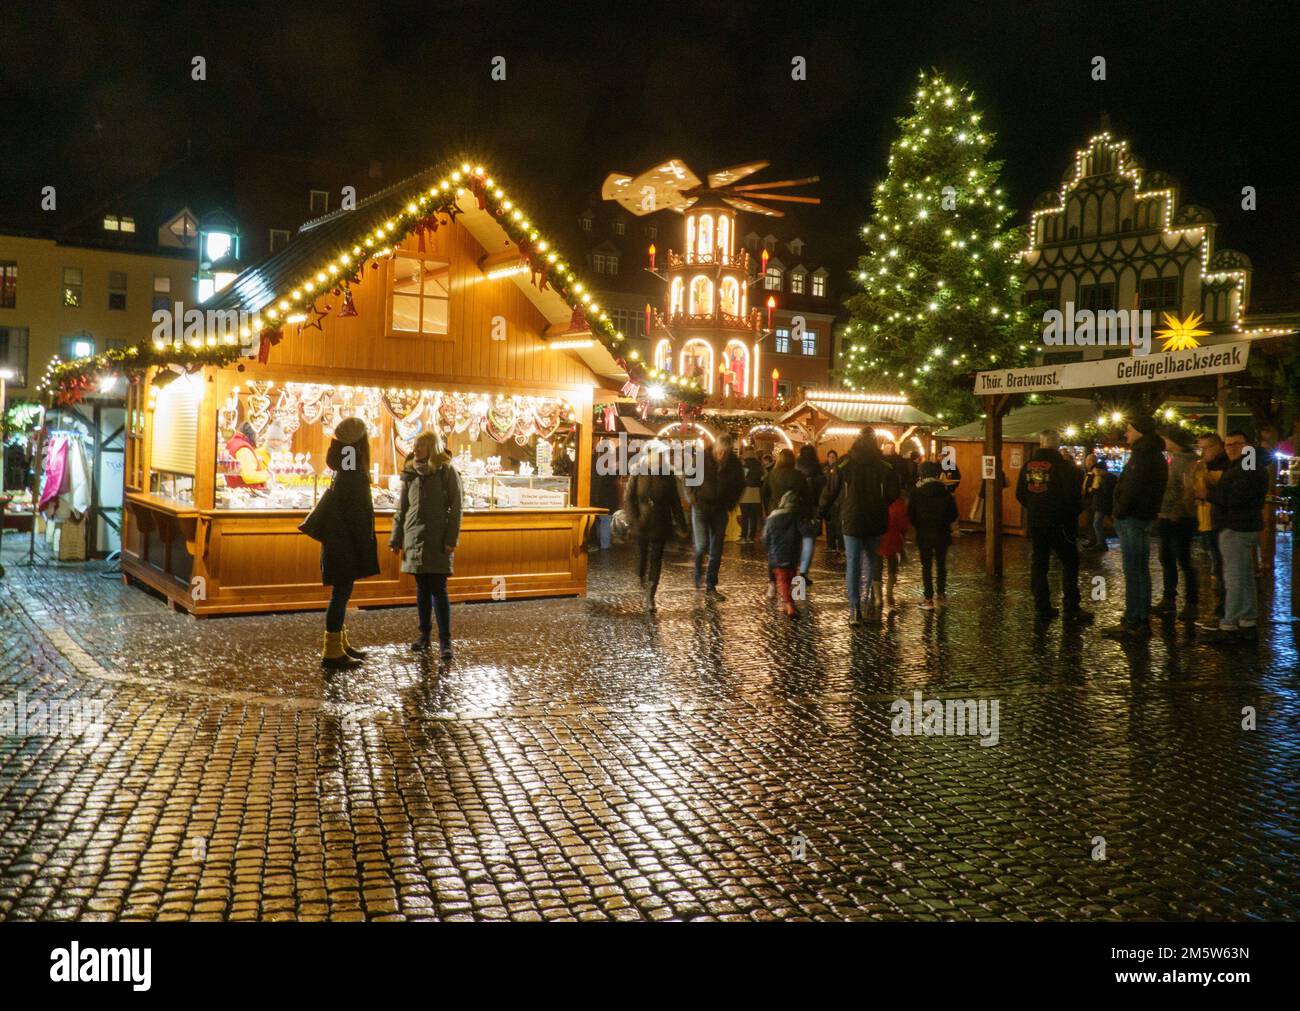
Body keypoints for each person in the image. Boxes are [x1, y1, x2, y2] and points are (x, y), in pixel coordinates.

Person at [390, 430, 463, 660]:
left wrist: (451, 539)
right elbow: (402, 508)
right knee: (422, 589)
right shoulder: (410, 472)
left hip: (438, 538)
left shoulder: (446, 470)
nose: (415, 450)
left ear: (431, 447)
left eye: (420, 446)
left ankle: (445, 640)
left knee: (438, 590)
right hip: (414, 537)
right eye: (415, 445)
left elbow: (457, 506)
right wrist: (396, 538)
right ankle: (424, 635)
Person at [318, 417, 381, 670]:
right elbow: (354, 506)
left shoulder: (347, 462)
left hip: (339, 539)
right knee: (340, 594)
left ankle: (340, 643)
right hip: (345, 540)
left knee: (342, 593)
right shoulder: (352, 466)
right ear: (359, 440)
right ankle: (332, 651)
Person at [820, 429, 901, 625]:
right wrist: (880, 504)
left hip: (852, 519)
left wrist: (820, 514)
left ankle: (854, 609)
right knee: (873, 561)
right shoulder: (884, 465)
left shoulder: (845, 463)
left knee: (853, 564)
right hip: (875, 520)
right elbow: (894, 492)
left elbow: (831, 491)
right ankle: (870, 601)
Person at [1014, 428, 1093, 624]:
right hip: (1060, 523)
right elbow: (1072, 496)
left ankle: (1042, 606)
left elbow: (1020, 494)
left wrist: (1034, 506)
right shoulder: (1064, 467)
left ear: (1041, 443)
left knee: (1039, 563)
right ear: (1058, 444)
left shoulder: (1028, 466)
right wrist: (1071, 514)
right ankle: (1071, 606)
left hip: (1036, 521)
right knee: (1069, 562)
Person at [1199, 430, 1268, 644]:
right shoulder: (1244, 463)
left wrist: (1208, 494)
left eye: (1236, 444)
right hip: (1239, 525)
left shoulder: (1247, 464)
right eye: (1228, 445)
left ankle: (1230, 624)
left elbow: (1238, 495)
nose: (1231, 448)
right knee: (1243, 576)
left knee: (1235, 577)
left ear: (1248, 444)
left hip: (1236, 526)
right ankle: (1247, 620)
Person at [1106, 416, 1169, 639]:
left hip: (1133, 517)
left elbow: (1132, 488)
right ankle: (1138, 617)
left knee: (1133, 570)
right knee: (1140, 570)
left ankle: (1134, 620)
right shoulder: (1154, 455)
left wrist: (1119, 511)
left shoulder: (1142, 457)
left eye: (1129, 430)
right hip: (1142, 516)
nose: (1126, 434)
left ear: (1140, 432)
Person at [623, 442, 687, 612]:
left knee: (656, 557)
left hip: (661, 521)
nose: (660, 458)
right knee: (643, 555)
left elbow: (675, 502)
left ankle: (650, 595)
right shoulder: (637, 471)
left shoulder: (668, 475)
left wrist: (682, 526)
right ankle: (641, 577)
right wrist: (634, 520)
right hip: (641, 522)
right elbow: (629, 498)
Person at [686, 432, 746, 600]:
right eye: (719, 451)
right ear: (715, 448)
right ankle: (698, 572)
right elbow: (688, 479)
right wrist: (692, 498)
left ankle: (711, 586)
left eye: (725, 453)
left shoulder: (734, 463)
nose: (721, 455)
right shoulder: (702, 458)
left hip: (720, 509)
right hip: (700, 507)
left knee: (717, 548)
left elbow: (740, 484)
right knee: (701, 546)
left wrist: (731, 504)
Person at [1154, 428, 1199, 619]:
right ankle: (1169, 598)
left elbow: (1186, 490)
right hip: (1167, 515)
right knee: (1167, 558)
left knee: (1183, 559)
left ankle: (1190, 602)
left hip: (1179, 518)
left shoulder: (1185, 461)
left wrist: (1175, 511)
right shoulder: (1175, 459)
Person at [909, 461, 958, 609]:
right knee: (941, 564)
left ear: (921, 474)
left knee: (927, 566)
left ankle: (928, 599)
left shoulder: (917, 493)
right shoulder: (946, 492)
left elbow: (911, 514)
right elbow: (954, 514)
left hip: (924, 534)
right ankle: (941, 594)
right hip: (942, 534)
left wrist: (919, 526)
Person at [762, 448, 809, 599]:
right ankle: (796, 591)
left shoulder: (771, 475)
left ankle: (772, 584)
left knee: (773, 551)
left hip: (775, 516)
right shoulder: (799, 476)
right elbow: (807, 496)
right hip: (794, 517)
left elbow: (764, 494)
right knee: (795, 551)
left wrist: (767, 511)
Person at [1192, 432, 1230, 617]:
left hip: (1218, 521)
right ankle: (1223, 604)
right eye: (1201, 448)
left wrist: (1203, 477)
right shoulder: (1205, 465)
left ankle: (1226, 608)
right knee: (1216, 562)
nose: (1203, 452)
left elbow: (1215, 490)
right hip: (1206, 521)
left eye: (1207, 447)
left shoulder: (1224, 466)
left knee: (1222, 564)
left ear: (1218, 446)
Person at [763, 489, 803, 618]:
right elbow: (805, 530)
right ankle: (786, 603)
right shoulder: (797, 516)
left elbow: (765, 537)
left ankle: (788, 604)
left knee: (782, 579)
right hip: (794, 554)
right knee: (789, 578)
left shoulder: (773, 517)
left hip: (777, 554)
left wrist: (769, 550)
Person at [795, 444, 826, 586]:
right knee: (809, 542)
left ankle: (793, 571)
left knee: (795, 542)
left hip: (796, 510)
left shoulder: (796, 470)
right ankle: (803, 572)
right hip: (812, 510)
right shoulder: (818, 472)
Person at [876, 488, 910, 607]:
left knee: (877, 566)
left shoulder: (876, 500)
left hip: (877, 536)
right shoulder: (900, 504)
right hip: (893, 538)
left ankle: (878, 598)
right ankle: (889, 594)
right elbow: (903, 525)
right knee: (892, 565)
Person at [589, 441, 620, 551]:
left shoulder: (595, 464)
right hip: (606, 499)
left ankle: (600, 543)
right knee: (605, 521)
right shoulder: (611, 467)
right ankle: (604, 545)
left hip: (596, 498)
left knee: (599, 521)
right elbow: (611, 484)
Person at [1084, 454, 1115, 550]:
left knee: (1096, 523)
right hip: (1098, 503)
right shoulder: (1104, 477)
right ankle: (1099, 542)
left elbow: (1099, 490)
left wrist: (1092, 489)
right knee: (1095, 523)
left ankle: (1101, 544)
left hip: (1100, 504)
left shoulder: (1103, 477)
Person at [739, 449, 764, 542]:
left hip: (745, 492)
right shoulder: (759, 466)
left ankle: (743, 537)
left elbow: (741, 478)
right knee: (753, 516)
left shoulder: (745, 466)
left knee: (745, 516)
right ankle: (751, 537)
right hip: (756, 493)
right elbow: (763, 479)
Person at [822, 450, 843, 556]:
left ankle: (839, 546)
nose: (831, 459)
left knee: (837, 525)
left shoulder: (838, 469)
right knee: (829, 524)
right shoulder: (825, 469)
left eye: (833, 457)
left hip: (835, 501)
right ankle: (831, 545)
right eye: (829, 457)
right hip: (827, 501)